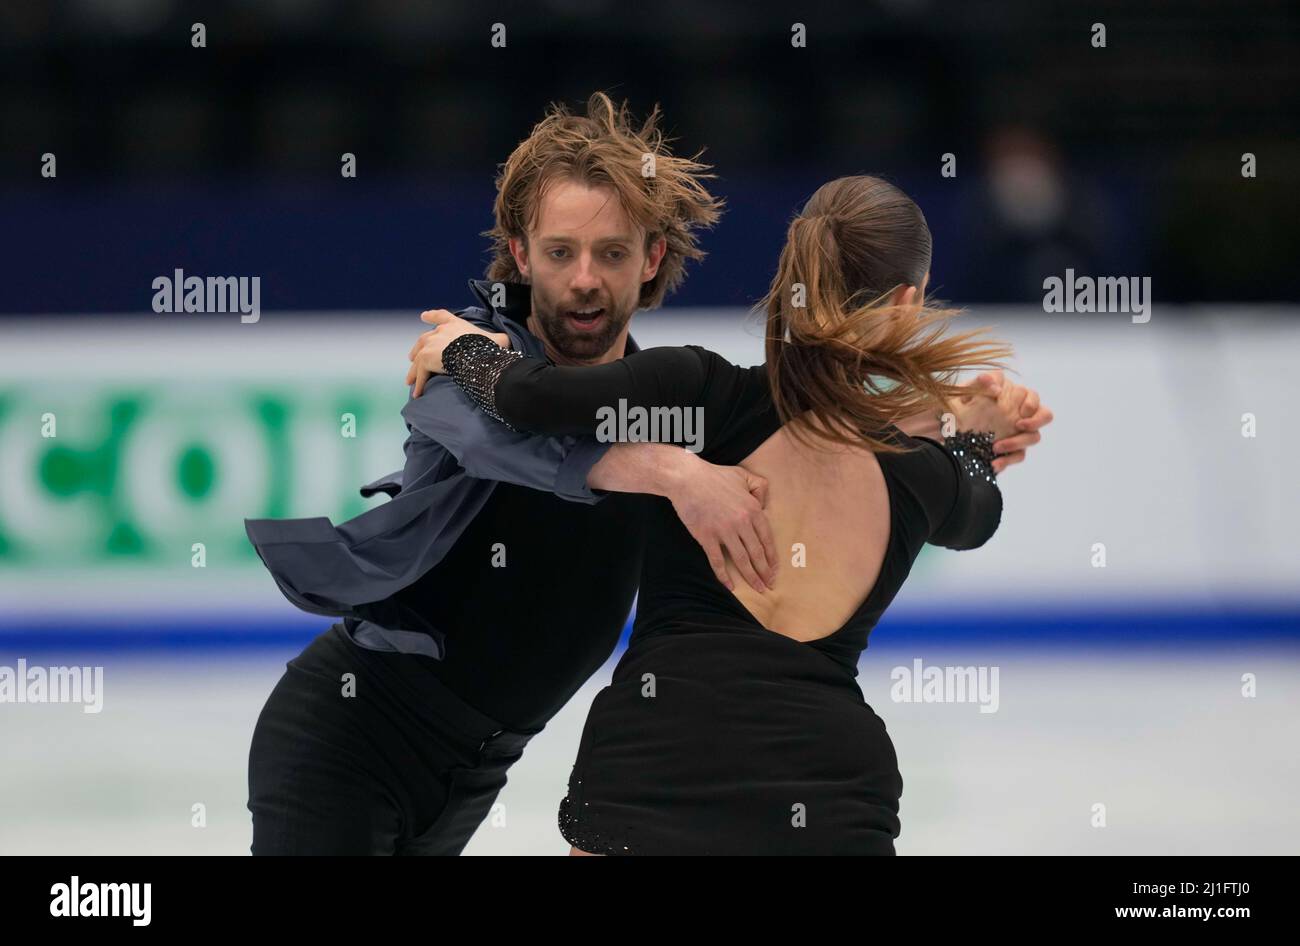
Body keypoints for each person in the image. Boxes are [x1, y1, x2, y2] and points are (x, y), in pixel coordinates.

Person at [413, 174, 1036, 854]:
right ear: (908, 301)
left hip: (655, 757)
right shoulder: (924, 476)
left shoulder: (699, 395)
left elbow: (530, 400)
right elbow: (981, 510)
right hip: (832, 789)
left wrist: (460, 347)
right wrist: (969, 437)